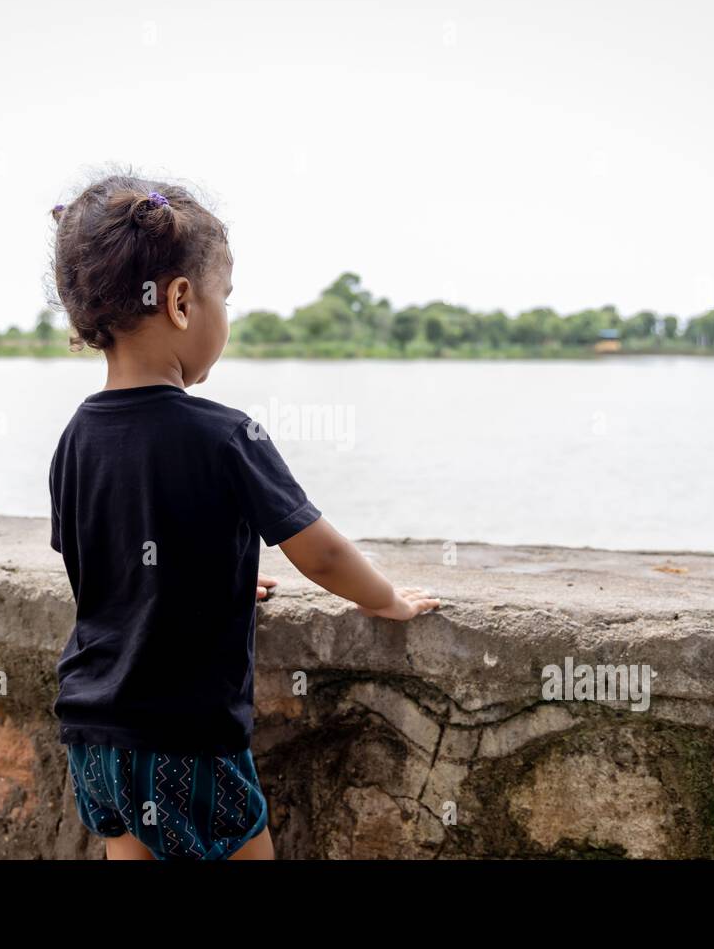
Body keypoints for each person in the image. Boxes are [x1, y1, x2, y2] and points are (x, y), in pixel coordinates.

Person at [46, 173, 440, 860]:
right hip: (185, 741)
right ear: (178, 301)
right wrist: (387, 599)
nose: (225, 316)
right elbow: (318, 553)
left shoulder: (76, 436)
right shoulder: (226, 434)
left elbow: (104, 570)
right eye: (223, 298)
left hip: (93, 736)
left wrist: (208, 582)